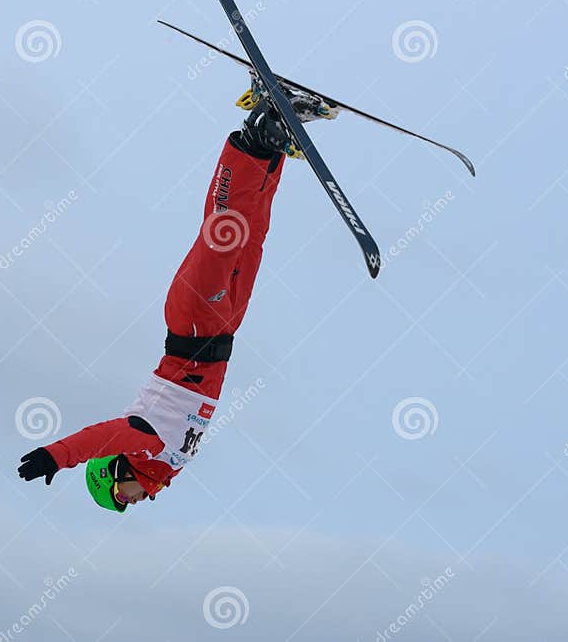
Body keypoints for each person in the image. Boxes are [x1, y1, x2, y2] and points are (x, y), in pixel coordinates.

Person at [18, 79, 335, 512]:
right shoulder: (166, 468)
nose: (136, 500)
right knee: (253, 236)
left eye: (121, 498)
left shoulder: (143, 446)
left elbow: (104, 436)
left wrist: (57, 456)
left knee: (225, 229)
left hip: (192, 322)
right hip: (224, 331)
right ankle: (275, 140)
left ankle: (252, 137)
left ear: (113, 472)